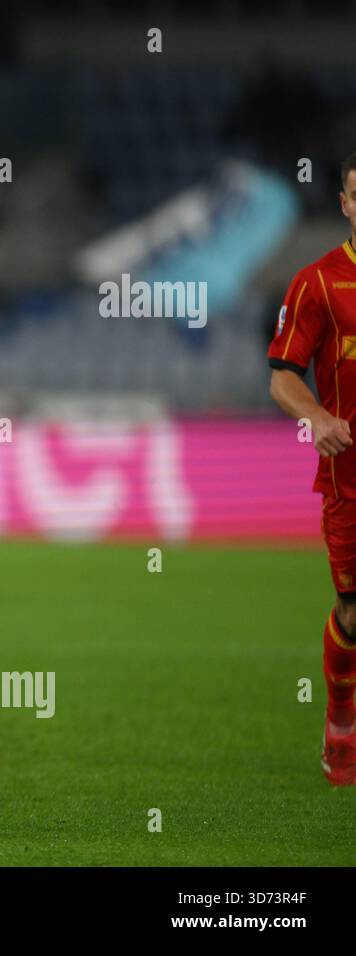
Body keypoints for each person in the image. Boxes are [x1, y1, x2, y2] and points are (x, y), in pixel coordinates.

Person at [267, 150, 356, 785]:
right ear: (346, 202)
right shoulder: (319, 282)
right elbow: (282, 377)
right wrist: (319, 419)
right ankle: (341, 723)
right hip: (350, 478)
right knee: (354, 611)